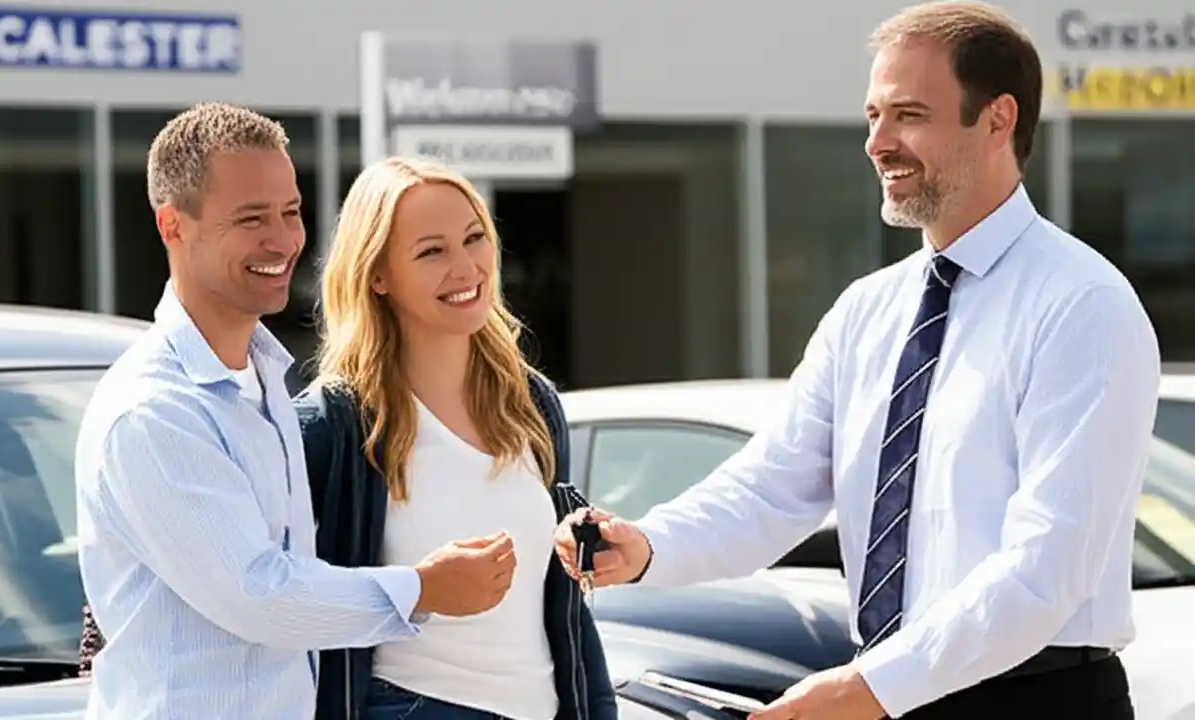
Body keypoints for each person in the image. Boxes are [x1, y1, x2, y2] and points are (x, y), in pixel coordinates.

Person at [555, 3, 1160, 719]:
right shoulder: (867, 311)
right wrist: (649, 545)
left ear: (997, 120)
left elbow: (1045, 571)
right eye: (872, 116)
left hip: (1036, 700)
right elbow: (772, 489)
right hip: (892, 691)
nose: (877, 143)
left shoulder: (1082, 305)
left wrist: (872, 688)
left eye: (908, 114)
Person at [74, 103, 516, 719]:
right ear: (172, 225)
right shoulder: (153, 411)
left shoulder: (265, 380)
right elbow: (258, 597)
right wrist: (423, 588)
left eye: (291, 212)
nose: (282, 241)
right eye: (252, 219)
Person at [293, 155, 617, 720]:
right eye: (432, 251)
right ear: (377, 274)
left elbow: (564, 612)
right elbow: (280, 593)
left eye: (474, 239)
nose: (466, 267)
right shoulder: (335, 423)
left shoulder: (531, 403)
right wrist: (418, 587)